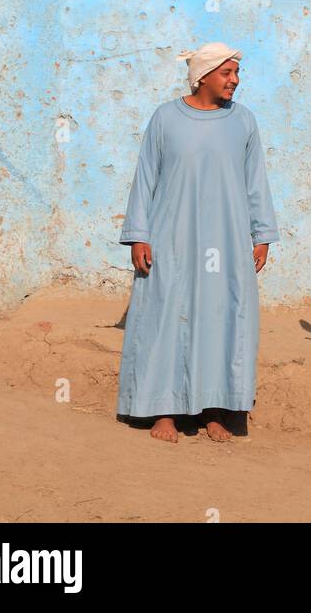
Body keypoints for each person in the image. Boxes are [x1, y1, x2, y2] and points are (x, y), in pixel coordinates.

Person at [116, 41, 279, 443]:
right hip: (170, 236)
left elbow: (255, 181)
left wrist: (262, 235)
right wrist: (139, 234)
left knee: (219, 317)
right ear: (202, 76)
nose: (235, 81)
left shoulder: (243, 122)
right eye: (227, 73)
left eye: (236, 74)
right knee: (165, 317)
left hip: (225, 239)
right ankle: (164, 412)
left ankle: (213, 410)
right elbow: (146, 178)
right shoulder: (165, 119)